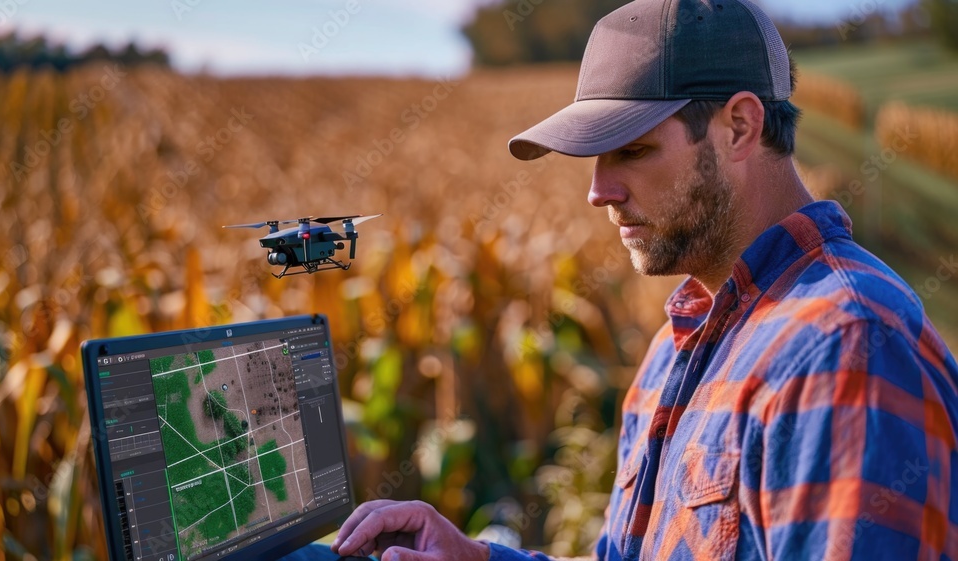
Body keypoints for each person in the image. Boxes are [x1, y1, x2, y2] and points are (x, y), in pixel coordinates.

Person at [322, 0, 958, 559]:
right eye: (596, 157)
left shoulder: (845, 350)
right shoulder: (678, 344)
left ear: (739, 126)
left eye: (632, 150)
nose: (599, 191)